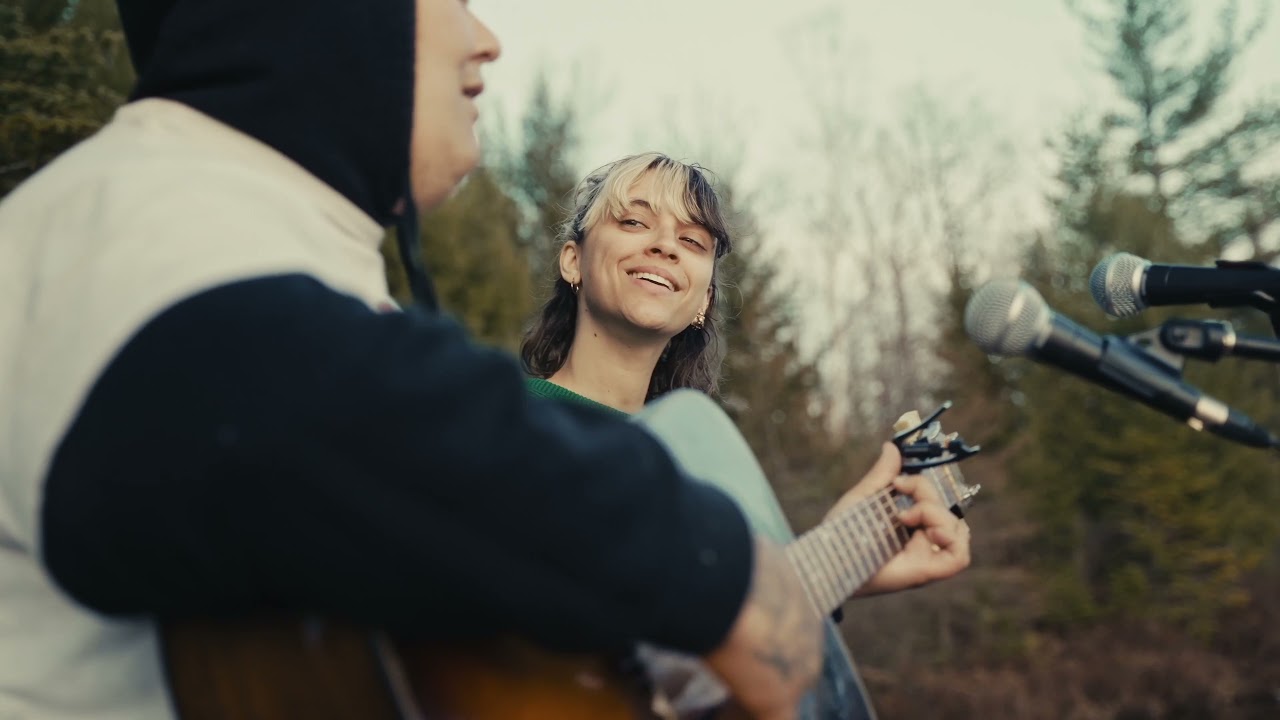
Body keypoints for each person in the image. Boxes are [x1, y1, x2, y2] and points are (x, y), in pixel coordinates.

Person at [0, 4, 965, 720]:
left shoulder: (264, 250)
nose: (486, 38)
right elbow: (292, 398)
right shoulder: (139, 215)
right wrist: (713, 565)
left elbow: (610, 664)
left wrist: (832, 554)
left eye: (696, 241)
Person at [520, 152, 973, 716]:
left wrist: (833, 566)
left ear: (703, 301)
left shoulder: (701, 474)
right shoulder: (500, 416)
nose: (664, 246)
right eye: (634, 222)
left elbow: (683, 680)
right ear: (572, 260)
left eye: (692, 242)